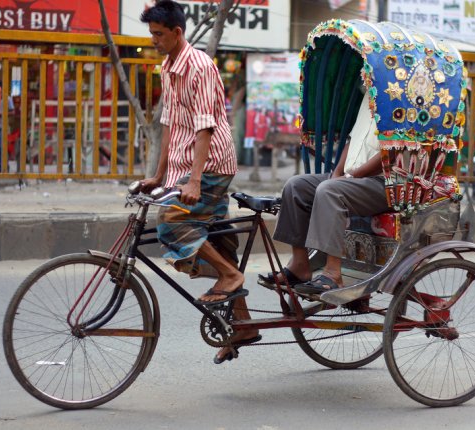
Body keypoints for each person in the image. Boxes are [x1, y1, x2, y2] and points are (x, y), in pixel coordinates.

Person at [139, 0, 259, 363]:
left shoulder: (199, 66)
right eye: (152, 35)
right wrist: (159, 175)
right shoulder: (168, 66)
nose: (154, 41)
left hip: (212, 165)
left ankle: (228, 277)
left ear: (177, 32)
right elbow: (171, 125)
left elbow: (205, 126)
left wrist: (193, 182)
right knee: (220, 242)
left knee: (173, 221)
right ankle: (244, 325)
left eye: (159, 35)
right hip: (186, 165)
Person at [263, 90, 390, 293]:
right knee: (296, 186)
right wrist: (337, 173)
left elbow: (390, 152)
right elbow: (353, 140)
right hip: (353, 177)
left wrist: (351, 177)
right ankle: (300, 265)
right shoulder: (369, 96)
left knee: (330, 191)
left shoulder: (399, 97)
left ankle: (333, 273)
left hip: (385, 183)